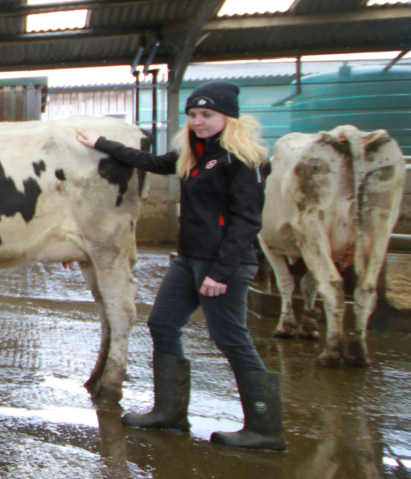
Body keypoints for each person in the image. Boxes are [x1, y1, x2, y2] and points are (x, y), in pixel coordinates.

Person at [74, 80, 284, 452]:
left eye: (207, 114)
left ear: (229, 117)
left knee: (231, 337)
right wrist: (102, 143)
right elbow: (151, 162)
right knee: (163, 323)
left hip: (223, 264)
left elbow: (247, 221)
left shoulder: (245, 160)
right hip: (189, 259)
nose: (198, 121)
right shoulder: (195, 155)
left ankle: (265, 429)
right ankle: (169, 412)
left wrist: (221, 272)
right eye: (192, 115)